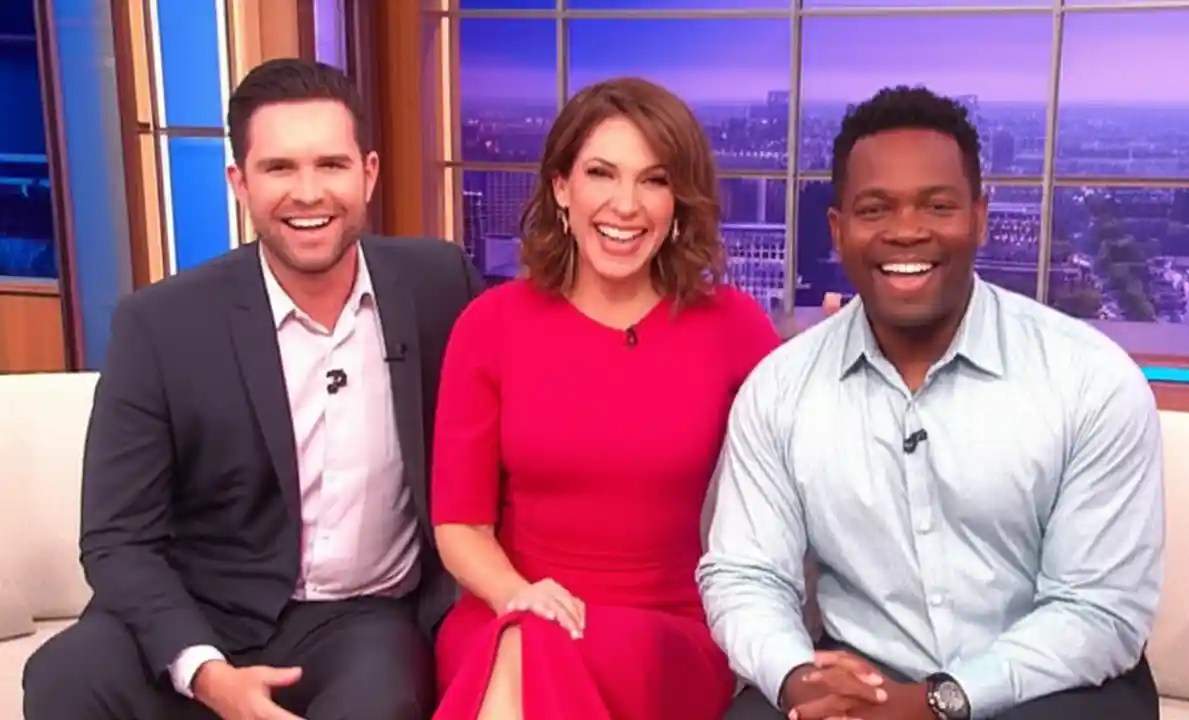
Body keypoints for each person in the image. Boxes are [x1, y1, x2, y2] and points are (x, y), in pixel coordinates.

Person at [21, 58, 484, 719]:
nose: (308, 192)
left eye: (331, 164)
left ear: (369, 173)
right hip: (201, 602)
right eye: (279, 168)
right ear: (239, 181)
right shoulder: (161, 323)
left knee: (381, 704)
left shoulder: (439, 284)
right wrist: (207, 674)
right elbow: (116, 538)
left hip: (361, 617)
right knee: (67, 676)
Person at [698, 85, 1165, 720]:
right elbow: (745, 574)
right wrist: (798, 677)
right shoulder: (781, 389)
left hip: (1048, 687)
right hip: (865, 674)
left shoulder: (1089, 380)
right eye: (875, 209)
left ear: (979, 216)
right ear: (839, 230)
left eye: (937, 206)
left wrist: (939, 701)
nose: (907, 231)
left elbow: (1099, 610)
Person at [429, 76, 781, 720]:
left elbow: (804, 469)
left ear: (678, 202)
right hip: (508, 609)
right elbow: (460, 526)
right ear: (562, 188)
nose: (626, 204)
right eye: (601, 173)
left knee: (533, 654)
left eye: (654, 180)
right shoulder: (490, 326)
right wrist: (520, 594)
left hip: (664, 632)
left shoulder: (733, 327)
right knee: (529, 640)